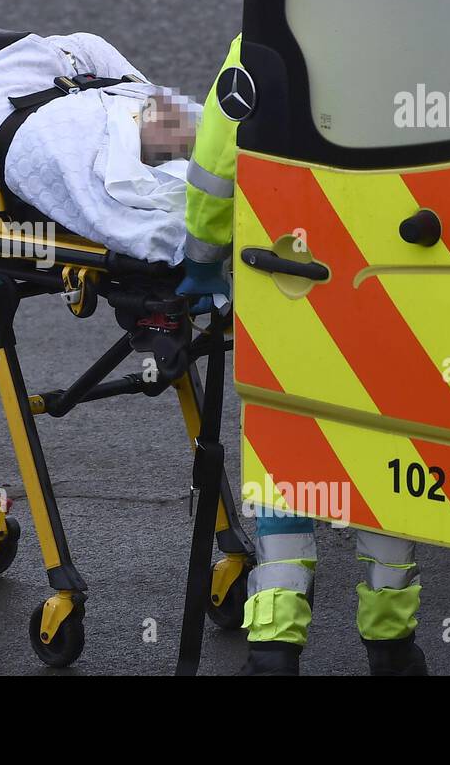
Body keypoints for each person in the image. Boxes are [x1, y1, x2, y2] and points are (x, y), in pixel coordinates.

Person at [178, 35, 427, 676]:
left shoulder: (267, 37)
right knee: (386, 461)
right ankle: (392, 646)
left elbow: (215, 157)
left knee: (290, 461)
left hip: (293, 285)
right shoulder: (438, 29)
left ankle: (275, 649)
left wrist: (203, 258)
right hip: (400, 295)